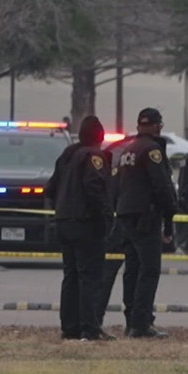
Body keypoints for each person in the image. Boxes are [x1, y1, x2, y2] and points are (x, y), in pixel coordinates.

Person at [46, 115, 114, 341]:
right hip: (86, 223)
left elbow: (50, 188)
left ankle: (70, 327)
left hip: (64, 221)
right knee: (90, 276)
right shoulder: (94, 156)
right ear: (99, 137)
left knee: (71, 275)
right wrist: (105, 215)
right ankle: (90, 327)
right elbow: (94, 188)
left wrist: (61, 208)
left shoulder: (67, 155)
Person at [113, 107, 178, 338]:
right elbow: (161, 185)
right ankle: (141, 323)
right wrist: (170, 212)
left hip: (126, 215)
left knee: (132, 269)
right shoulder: (152, 150)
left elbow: (118, 184)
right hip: (145, 216)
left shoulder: (128, 149)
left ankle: (131, 320)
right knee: (149, 270)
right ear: (156, 126)